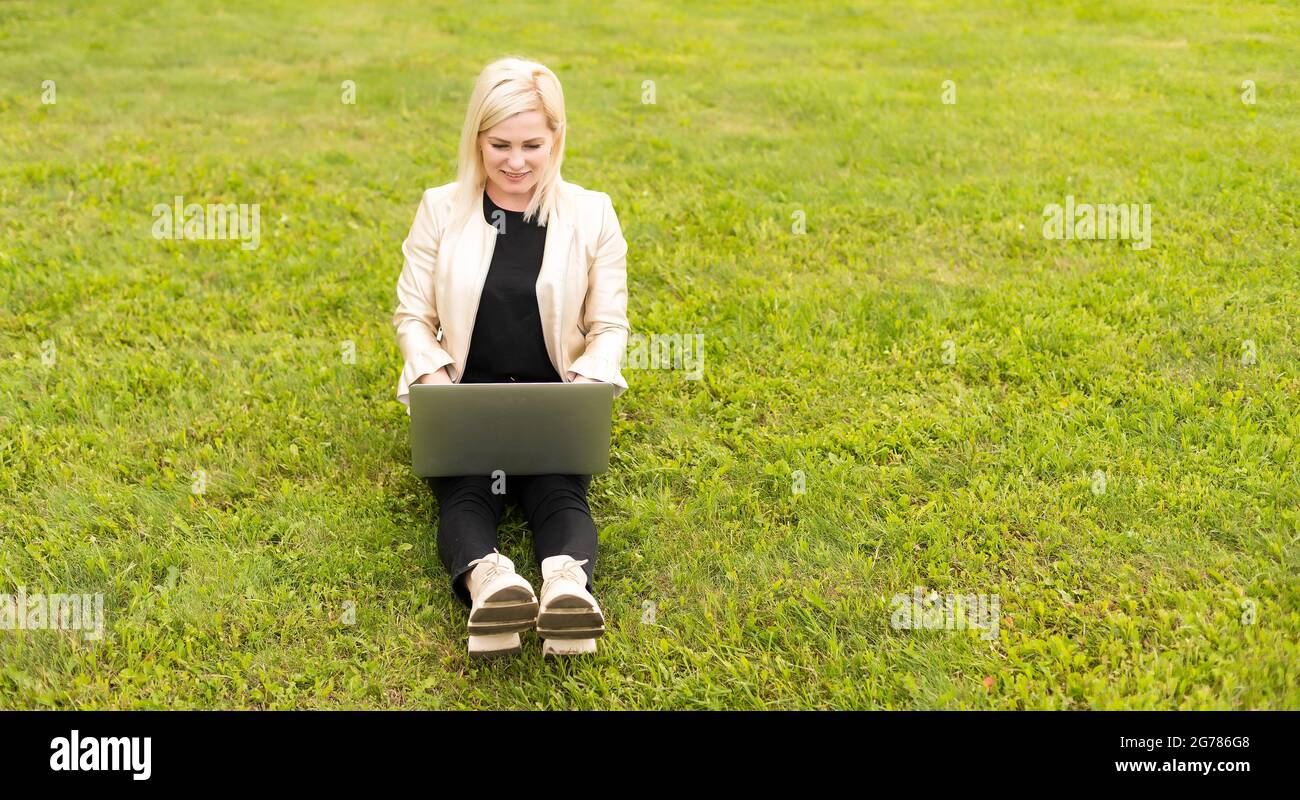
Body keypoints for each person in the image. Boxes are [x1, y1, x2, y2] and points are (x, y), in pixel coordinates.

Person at [392, 56, 630, 660]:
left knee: (559, 495)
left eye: (532, 144)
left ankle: (566, 589)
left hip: (554, 396)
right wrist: (434, 379)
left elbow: (608, 326)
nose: (516, 161)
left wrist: (584, 384)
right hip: (466, 396)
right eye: (500, 144)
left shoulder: (591, 213)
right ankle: (489, 585)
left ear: (556, 138)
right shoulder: (441, 209)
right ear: (477, 138)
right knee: (467, 496)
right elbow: (413, 317)